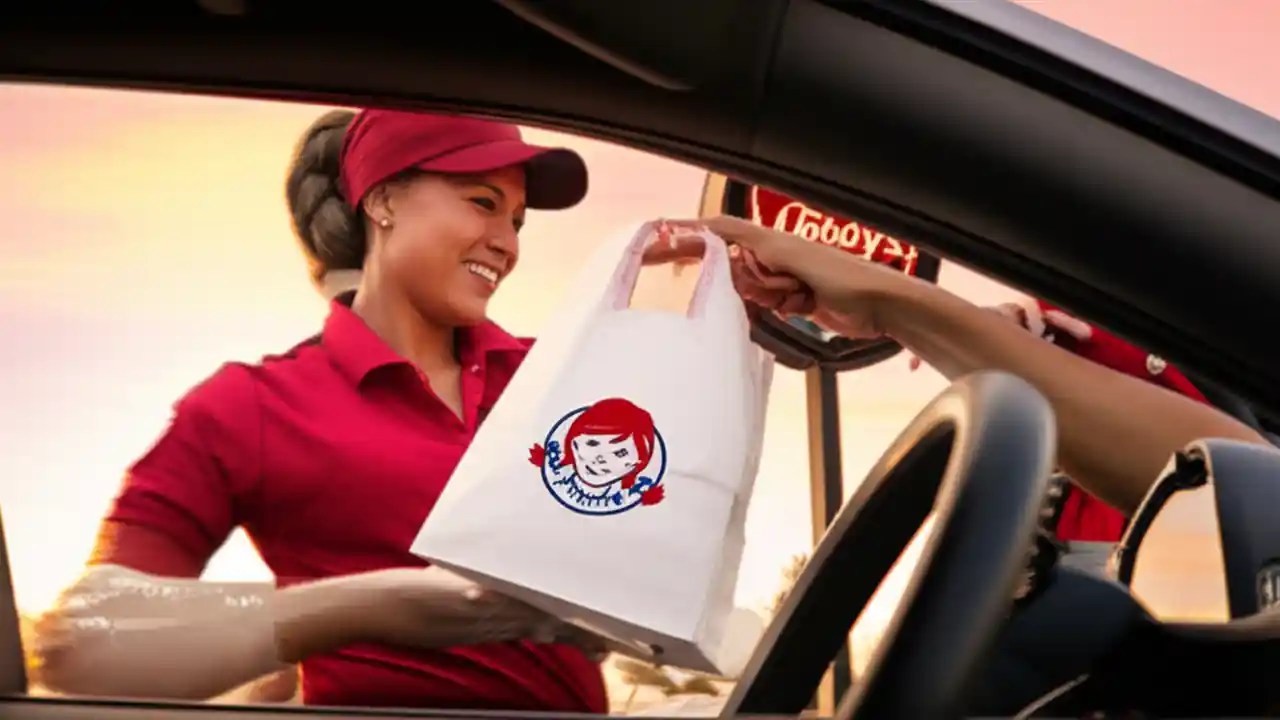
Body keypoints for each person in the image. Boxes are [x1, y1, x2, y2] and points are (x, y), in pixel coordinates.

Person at [31, 108, 698, 711]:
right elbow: (81, 644)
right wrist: (372, 609)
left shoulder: (559, 377)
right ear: (382, 201)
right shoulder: (251, 406)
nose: (508, 243)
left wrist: (695, 289)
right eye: (482, 202)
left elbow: (669, 505)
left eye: (516, 222)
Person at [660, 216, 1267, 517]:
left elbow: (1238, 490)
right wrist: (1011, 335)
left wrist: (893, 303)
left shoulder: (1215, 327)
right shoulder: (1075, 316)